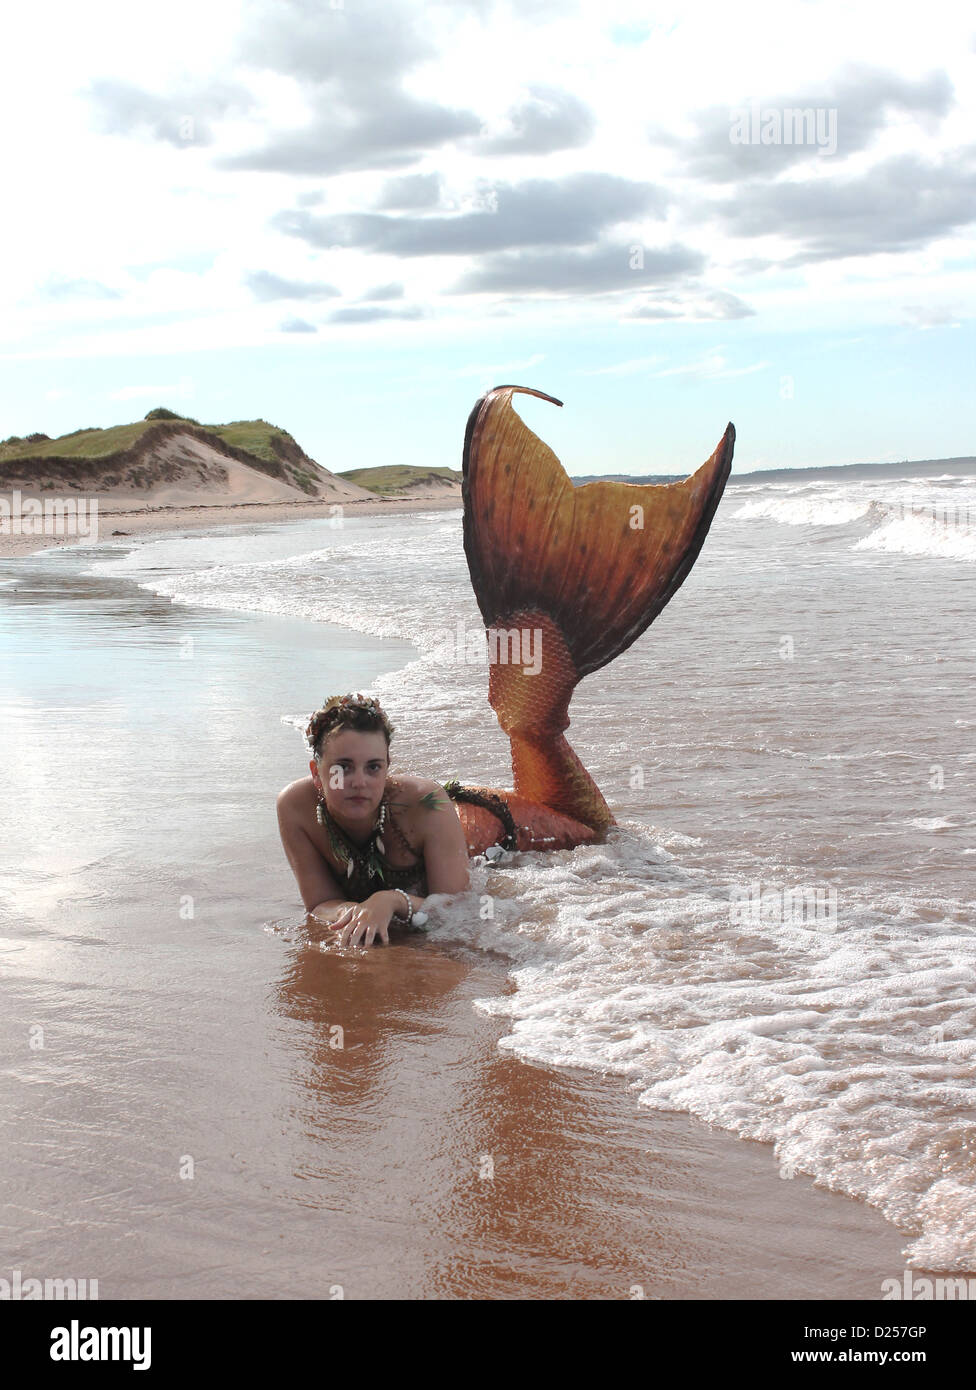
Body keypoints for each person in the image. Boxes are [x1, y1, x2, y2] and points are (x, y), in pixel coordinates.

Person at [277, 693, 472, 948]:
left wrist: (392, 901)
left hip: (480, 842)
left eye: (373, 767)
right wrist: (353, 912)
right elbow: (318, 903)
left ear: (387, 767)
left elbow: (460, 909)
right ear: (316, 772)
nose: (359, 782)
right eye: (343, 767)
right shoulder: (296, 807)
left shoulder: (426, 805)